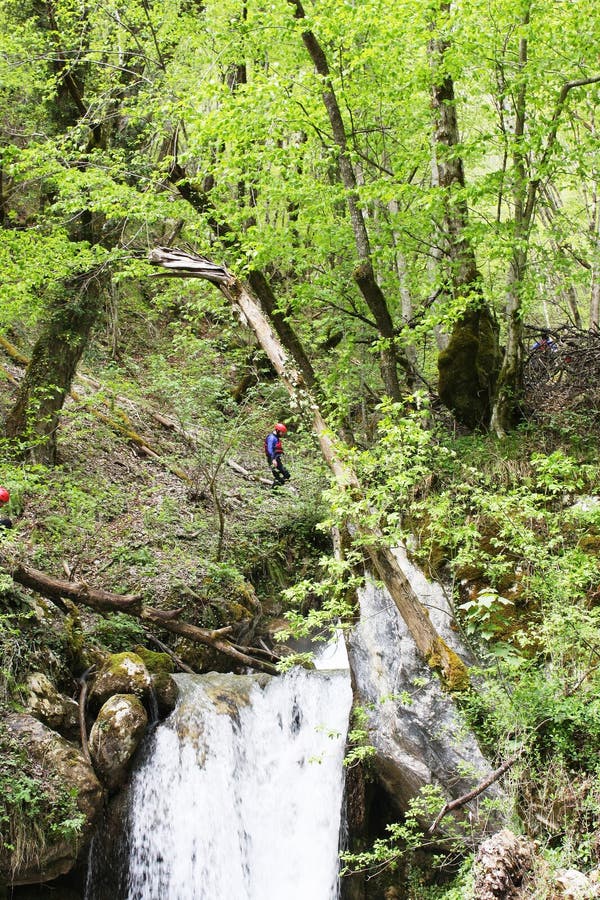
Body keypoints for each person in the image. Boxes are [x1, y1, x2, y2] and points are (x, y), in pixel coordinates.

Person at [264, 423, 291, 489]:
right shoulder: (271, 438)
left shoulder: (276, 437)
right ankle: (274, 492)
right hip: (272, 460)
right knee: (278, 476)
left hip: (276, 459)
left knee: (286, 475)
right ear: (277, 431)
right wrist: (273, 460)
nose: (282, 434)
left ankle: (276, 490)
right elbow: (270, 449)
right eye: (282, 432)